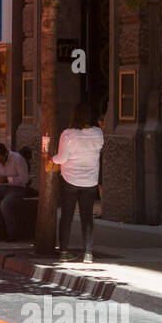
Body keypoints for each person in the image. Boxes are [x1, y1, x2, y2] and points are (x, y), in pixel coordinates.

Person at [50, 104, 105, 263]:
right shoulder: (98, 133)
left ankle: (64, 251)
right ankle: (88, 253)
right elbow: (99, 148)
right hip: (90, 180)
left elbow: (62, 158)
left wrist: (51, 159)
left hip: (70, 179)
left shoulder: (67, 134)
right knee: (87, 216)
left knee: (67, 215)